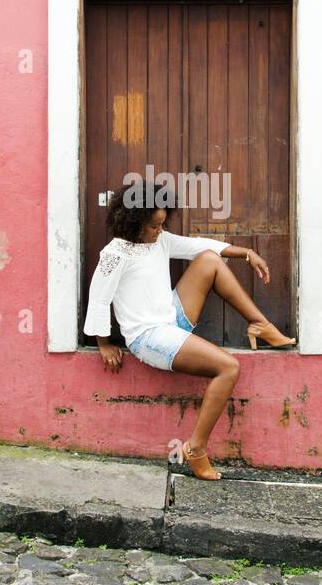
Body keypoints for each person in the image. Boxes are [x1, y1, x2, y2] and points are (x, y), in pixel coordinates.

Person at [83, 182, 296, 480]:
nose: (160, 230)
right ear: (135, 221)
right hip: (148, 338)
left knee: (209, 259)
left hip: (172, 319)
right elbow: (99, 298)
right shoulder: (115, 253)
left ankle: (260, 324)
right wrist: (103, 343)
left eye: (162, 224)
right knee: (228, 368)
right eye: (154, 225)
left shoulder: (161, 241)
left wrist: (246, 252)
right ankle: (195, 449)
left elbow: (198, 245)